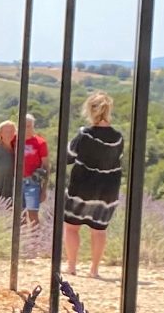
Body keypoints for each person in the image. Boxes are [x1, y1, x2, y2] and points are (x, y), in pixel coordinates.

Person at [62, 92, 125, 278]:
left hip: (82, 186)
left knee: (72, 226)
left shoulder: (85, 134)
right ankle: (94, 270)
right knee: (99, 229)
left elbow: (68, 157)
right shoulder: (118, 137)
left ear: (90, 110)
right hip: (108, 189)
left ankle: (72, 266)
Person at [21, 114, 48, 228]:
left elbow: (46, 166)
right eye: (25, 126)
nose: (27, 129)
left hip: (32, 182)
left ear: (33, 126)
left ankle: (35, 243)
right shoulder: (16, 140)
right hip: (16, 181)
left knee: (33, 215)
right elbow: (2, 140)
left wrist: (44, 189)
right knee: (19, 215)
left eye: (29, 126)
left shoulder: (40, 143)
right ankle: (21, 241)